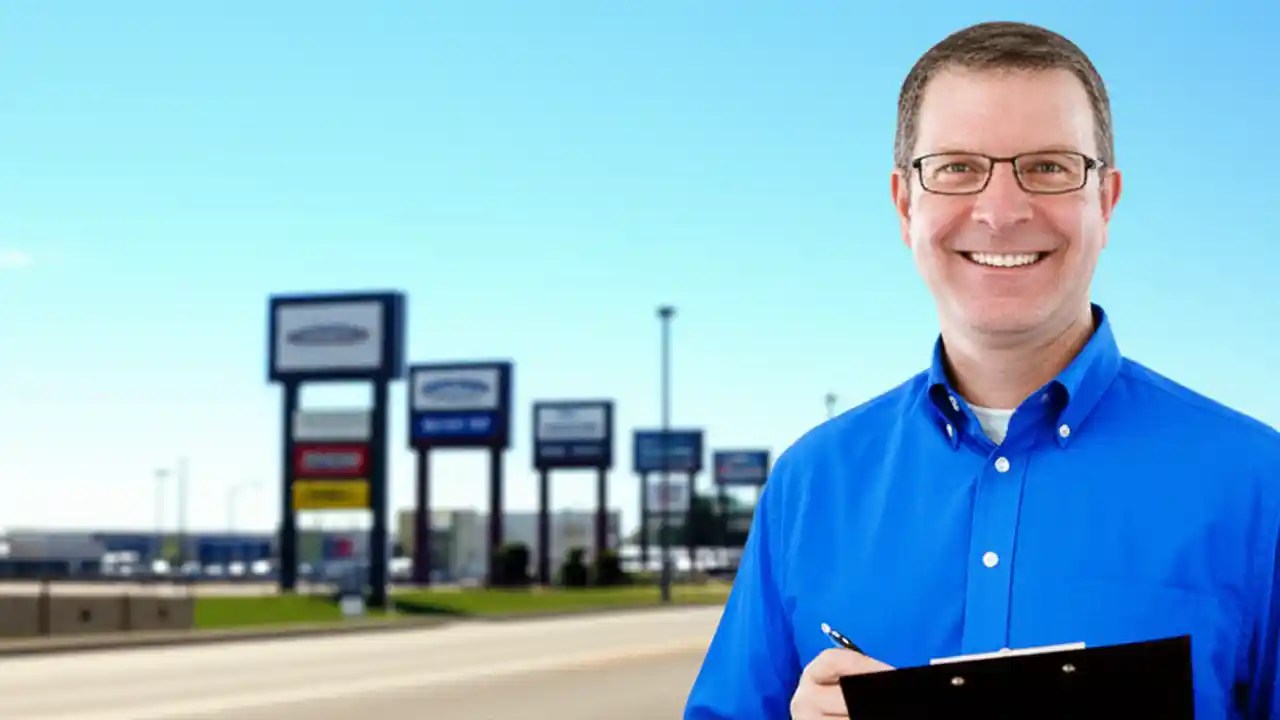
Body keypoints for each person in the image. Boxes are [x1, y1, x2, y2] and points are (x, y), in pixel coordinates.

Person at [683, 20, 1280, 720]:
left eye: (1049, 166)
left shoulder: (1258, 484)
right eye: (958, 168)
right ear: (906, 204)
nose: (1000, 211)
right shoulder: (812, 484)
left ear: (1106, 201)